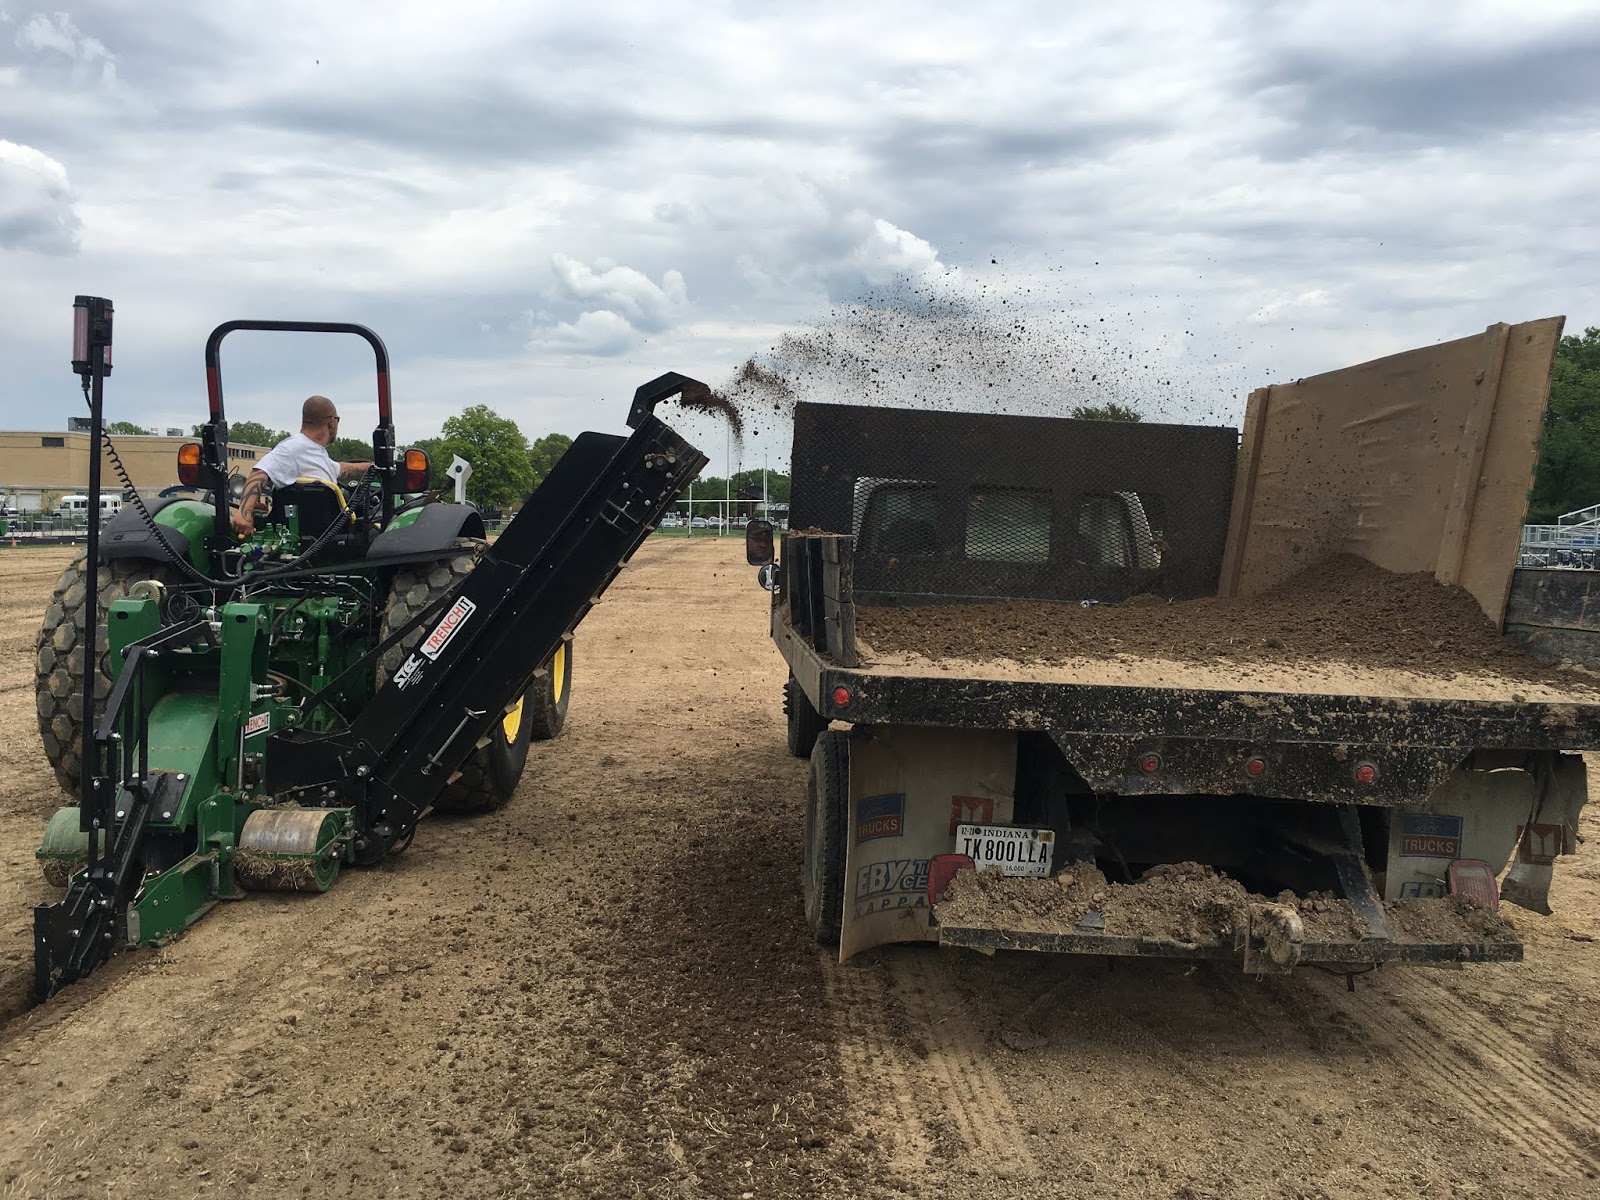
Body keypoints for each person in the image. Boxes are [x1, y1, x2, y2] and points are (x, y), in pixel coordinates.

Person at [231, 395, 373, 536]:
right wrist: (244, 512)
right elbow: (260, 472)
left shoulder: (315, 453)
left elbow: (341, 469)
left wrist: (373, 466)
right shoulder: (293, 447)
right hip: (324, 538)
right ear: (332, 422)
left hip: (326, 536)